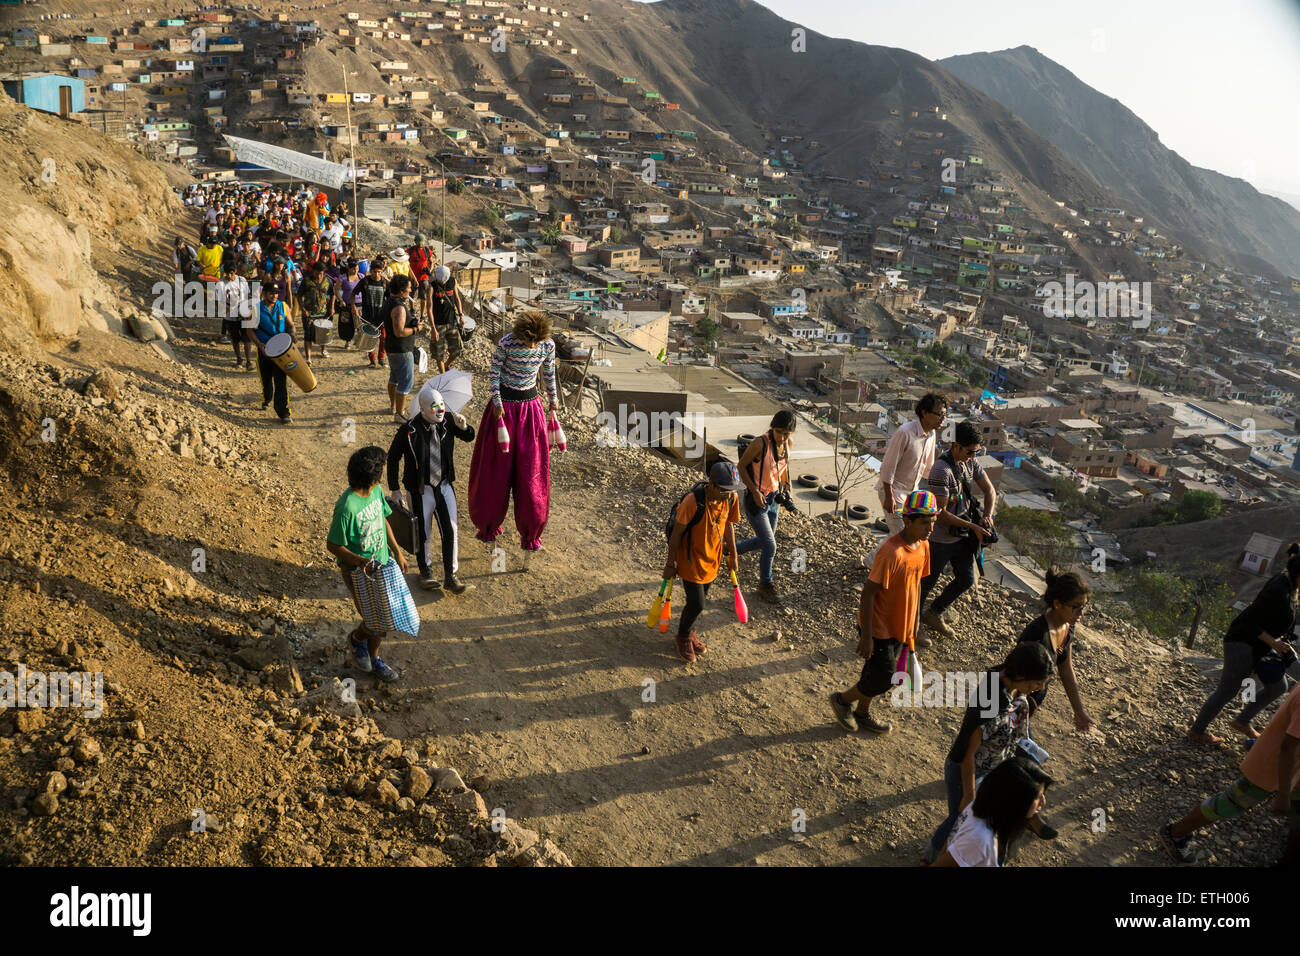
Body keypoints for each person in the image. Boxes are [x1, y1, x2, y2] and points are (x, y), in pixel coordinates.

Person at [925, 641, 1056, 862]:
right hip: (970, 772)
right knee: (959, 818)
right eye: (1037, 682)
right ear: (1022, 675)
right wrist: (969, 795)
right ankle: (931, 859)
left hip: (995, 769)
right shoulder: (992, 701)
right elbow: (969, 751)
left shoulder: (1009, 682)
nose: (1040, 688)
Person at [829, 490, 937, 735]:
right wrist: (866, 637)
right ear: (907, 521)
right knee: (886, 676)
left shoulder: (923, 546)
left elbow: (917, 584)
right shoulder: (891, 552)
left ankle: (862, 712)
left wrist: (915, 619)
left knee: (875, 672)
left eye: (932, 521)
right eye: (924, 522)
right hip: (878, 627)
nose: (930, 527)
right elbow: (868, 594)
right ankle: (843, 701)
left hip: (901, 625)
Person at [1162, 681, 1300, 865]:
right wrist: (1283, 795)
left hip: (1290, 766)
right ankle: (1175, 832)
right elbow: (1288, 747)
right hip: (1272, 766)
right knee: (1230, 802)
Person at [467, 311, 560, 560]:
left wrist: (554, 401)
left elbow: (549, 374)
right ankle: (488, 526)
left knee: (531, 474)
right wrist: (497, 403)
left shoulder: (547, 346)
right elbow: (494, 373)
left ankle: (531, 534)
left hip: (531, 411)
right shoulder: (507, 342)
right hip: (503, 411)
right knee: (494, 472)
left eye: (535, 342)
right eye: (529, 341)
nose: (532, 346)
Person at [1188, 543, 1300, 744]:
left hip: (1260, 646)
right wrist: (1274, 643)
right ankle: (1197, 731)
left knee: (1278, 686)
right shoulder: (1279, 589)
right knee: (1228, 690)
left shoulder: (1289, 586)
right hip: (1242, 642)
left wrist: (1279, 643)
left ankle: (1242, 721)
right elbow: (1249, 623)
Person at [325, 446, 414, 684]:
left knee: (383, 618)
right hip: (357, 572)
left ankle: (374, 658)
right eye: (381, 469)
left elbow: (383, 519)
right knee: (375, 620)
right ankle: (357, 639)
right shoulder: (346, 507)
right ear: (374, 476)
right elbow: (333, 545)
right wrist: (359, 560)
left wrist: (397, 552)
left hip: (382, 565)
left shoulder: (376, 493)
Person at [388, 388, 476, 593]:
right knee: (423, 531)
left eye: (442, 405)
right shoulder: (409, 431)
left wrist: (464, 427)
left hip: (444, 485)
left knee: (451, 528)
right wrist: (395, 489)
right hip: (420, 489)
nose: (440, 410)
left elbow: (469, 437)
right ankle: (425, 570)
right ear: (424, 409)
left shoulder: (448, 423)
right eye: (434, 407)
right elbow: (393, 458)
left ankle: (451, 575)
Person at [917, 420, 996, 643]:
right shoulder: (941, 470)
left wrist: (987, 516)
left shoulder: (970, 463)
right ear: (956, 446)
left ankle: (934, 613)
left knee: (966, 579)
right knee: (925, 584)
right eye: (969, 451)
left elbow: (989, 490)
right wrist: (973, 526)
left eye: (976, 452)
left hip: (961, 535)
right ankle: (912, 626)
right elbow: (939, 512)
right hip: (940, 537)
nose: (973, 456)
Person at [662, 461, 743, 663]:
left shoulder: (730, 498)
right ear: (712, 485)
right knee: (698, 603)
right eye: (724, 490)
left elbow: (729, 527)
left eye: (731, 490)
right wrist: (670, 564)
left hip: (712, 559)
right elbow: (677, 535)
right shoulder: (692, 501)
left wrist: (733, 554)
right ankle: (682, 637)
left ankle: (689, 633)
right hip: (690, 560)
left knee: (700, 601)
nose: (728, 494)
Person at [929, 756, 1055, 867]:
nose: (1043, 801)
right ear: (1015, 802)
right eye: (1038, 797)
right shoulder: (979, 840)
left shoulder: (987, 809)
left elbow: (951, 842)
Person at [1016, 567, 1095, 731]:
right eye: (1076, 607)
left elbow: (1066, 669)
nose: (1081, 613)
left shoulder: (1067, 627)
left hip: (1029, 703)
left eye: (1084, 607)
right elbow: (1013, 679)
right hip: (1013, 703)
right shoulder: (1037, 634)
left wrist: (1079, 711)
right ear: (1058, 604)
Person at [736, 410, 795, 604]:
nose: (782, 437)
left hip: (774, 500)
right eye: (779, 432)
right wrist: (754, 491)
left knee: (764, 541)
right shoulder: (760, 444)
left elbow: (783, 470)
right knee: (770, 545)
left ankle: (729, 550)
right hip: (757, 501)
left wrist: (788, 487)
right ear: (772, 428)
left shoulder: (787, 445)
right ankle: (765, 584)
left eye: (787, 433)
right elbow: (741, 466)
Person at [876, 392, 947, 536]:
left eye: (945, 415)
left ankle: (873, 559)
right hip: (893, 492)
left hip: (911, 494)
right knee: (904, 535)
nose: (943, 420)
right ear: (924, 412)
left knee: (902, 536)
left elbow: (928, 469)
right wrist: (889, 498)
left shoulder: (931, 435)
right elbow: (887, 467)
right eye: (939, 415)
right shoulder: (905, 433)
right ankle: (872, 559)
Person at [246, 283, 294, 425]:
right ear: (264, 293)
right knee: (266, 380)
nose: (274, 295)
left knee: (281, 381)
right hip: (264, 350)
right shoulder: (255, 309)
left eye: (276, 293)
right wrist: (259, 344)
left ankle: (283, 412)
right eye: (271, 293)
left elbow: (290, 324)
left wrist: (292, 334)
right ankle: (266, 398)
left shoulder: (283, 306)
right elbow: (249, 330)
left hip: (281, 351)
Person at [382, 275, 420, 421]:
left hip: (392, 348)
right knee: (406, 382)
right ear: (402, 290)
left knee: (394, 379)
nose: (410, 290)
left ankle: (393, 406)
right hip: (401, 350)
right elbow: (399, 332)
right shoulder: (399, 307)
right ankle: (400, 413)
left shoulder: (389, 302)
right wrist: (416, 329)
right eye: (409, 288)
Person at [429, 263, 466, 374]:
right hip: (438, 325)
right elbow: (429, 308)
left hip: (452, 322)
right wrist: (433, 328)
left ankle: (445, 365)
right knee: (438, 353)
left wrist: (461, 315)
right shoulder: (431, 287)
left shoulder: (452, 281)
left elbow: (457, 299)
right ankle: (443, 376)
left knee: (457, 350)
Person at [215, 271, 254, 370]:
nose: (229, 275)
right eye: (227, 273)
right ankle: (239, 359)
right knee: (235, 339)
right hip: (230, 317)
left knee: (247, 339)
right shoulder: (221, 284)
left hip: (243, 314)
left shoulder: (241, 280)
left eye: (231, 273)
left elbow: (248, 295)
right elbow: (217, 302)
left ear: (235, 271)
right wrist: (229, 310)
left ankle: (249, 361)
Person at [298, 259, 334, 363]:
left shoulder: (328, 281)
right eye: (317, 273)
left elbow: (332, 294)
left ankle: (323, 350)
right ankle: (308, 357)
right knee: (308, 334)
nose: (319, 276)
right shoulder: (306, 281)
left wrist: (331, 307)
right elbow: (299, 296)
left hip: (323, 312)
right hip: (309, 313)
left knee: (323, 332)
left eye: (321, 273)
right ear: (313, 271)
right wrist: (303, 309)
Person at [361, 255, 389, 368]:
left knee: (383, 338)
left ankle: (381, 358)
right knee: (369, 338)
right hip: (368, 316)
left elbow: (390, 298)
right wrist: (353, 306)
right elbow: (354, 294)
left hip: (381, 316)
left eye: (379, 272)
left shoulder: (385, 283)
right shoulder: (365, 281)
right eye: (374, 272)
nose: (376, 274)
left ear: (381, 271)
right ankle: (372, 360)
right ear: (370, 271)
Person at [334, 257, 364, 348]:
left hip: (359, 304)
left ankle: (359, 341)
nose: (355, 270)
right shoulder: (343, 278)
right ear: (349, 268)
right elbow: (336, 290)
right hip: (346, 304)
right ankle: (348, 341)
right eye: (353, 268)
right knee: (347, 324)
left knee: (359, 324)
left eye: (357, 268)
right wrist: (341, 300)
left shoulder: (361, 276)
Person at [408, 234, 434, 321]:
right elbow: (405, 263)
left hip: (424, 278)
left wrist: (430, 269)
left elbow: (431, 262)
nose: (420, 245)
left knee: (423, 297)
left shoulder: (427, 250)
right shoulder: (410, 251)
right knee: (411, 295)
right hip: (412, 277)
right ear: (415, 242)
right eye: (419, 243)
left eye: (422, 243)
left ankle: (422, 315)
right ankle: (412, 310)